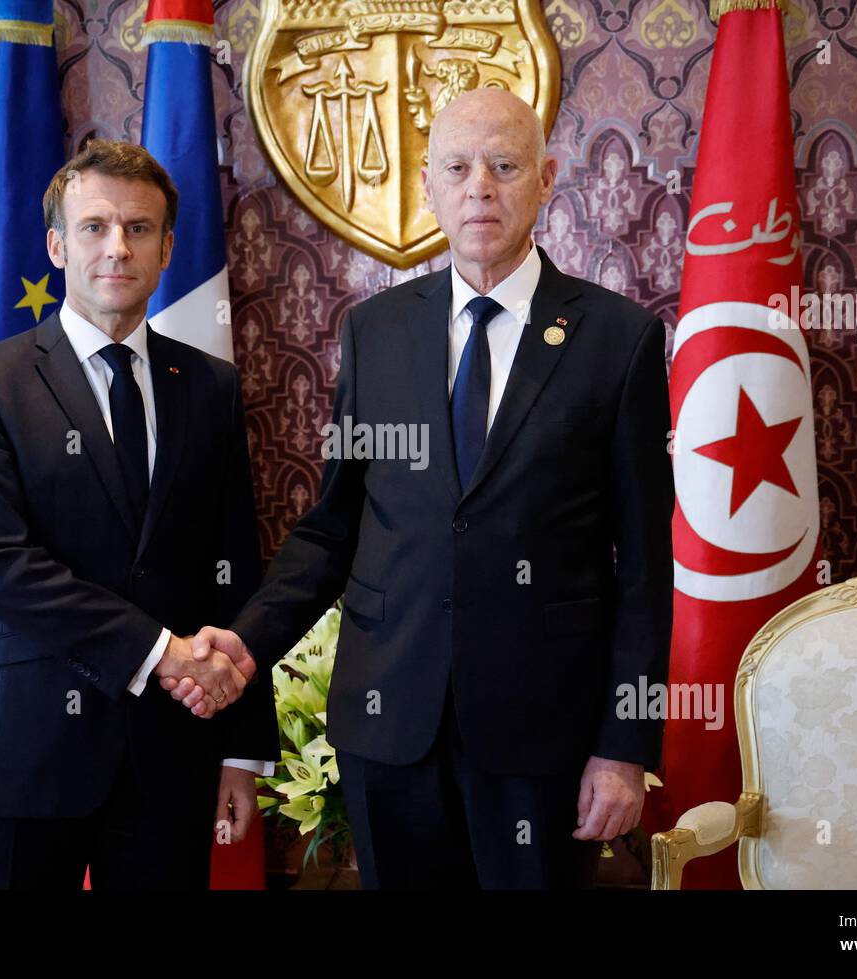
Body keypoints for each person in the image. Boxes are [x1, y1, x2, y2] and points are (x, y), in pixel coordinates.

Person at [164, 90, 675, 888]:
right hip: (389, 729)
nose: (480, 187)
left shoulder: (619, 339)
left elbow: (646, 566)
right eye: (458, 168)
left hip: (542, 741)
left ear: (545, 179)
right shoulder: (378, 330)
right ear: (430, 186)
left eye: (504, 167)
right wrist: (248, 640)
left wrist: (624, 747)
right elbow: (335, 526)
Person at [0, 139, 277, 889]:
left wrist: (243, 752)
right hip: (25, 745)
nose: (117, 247)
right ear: (57, 245)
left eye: (139, 228)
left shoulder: (209, 387)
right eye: (94, 227)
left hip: (173, 753)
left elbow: (234, 567)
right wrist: (163, 651)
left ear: (166, 249)